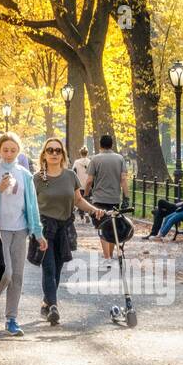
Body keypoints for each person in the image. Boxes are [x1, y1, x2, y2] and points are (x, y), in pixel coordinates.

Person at [34, 137, 107, 325]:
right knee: (48, 266)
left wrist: (94, 210)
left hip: (64, 227)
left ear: (63, 155)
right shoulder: (37, 178)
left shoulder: (69, 176)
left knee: (57, 268)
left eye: (58, 151)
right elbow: (30, 205)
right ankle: (53, 307)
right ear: (44, 154)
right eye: (50, 150)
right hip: (44, 227)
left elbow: (78, 200)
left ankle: (46, 302)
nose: (54, 154)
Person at [0, 133, 40, 337]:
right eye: (5, 150)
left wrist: (38, 231)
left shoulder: (24, 174)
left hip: (20, 229)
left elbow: (32, 204)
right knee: (6, 273)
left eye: (13, 150)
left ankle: (11, 318)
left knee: (17, 276)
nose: (9, 154)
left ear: (18, 151)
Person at [85, 134, 127, 265]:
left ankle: (107, 257)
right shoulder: (120, 159)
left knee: (102, 227)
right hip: (114, 198)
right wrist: (126, 197)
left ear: (100, 145)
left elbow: (89, 180)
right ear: (112, 145)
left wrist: (86, 195)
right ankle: (111, 255)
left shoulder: (95, 159)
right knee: (113, 227)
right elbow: (124, 179)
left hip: (99, 198)